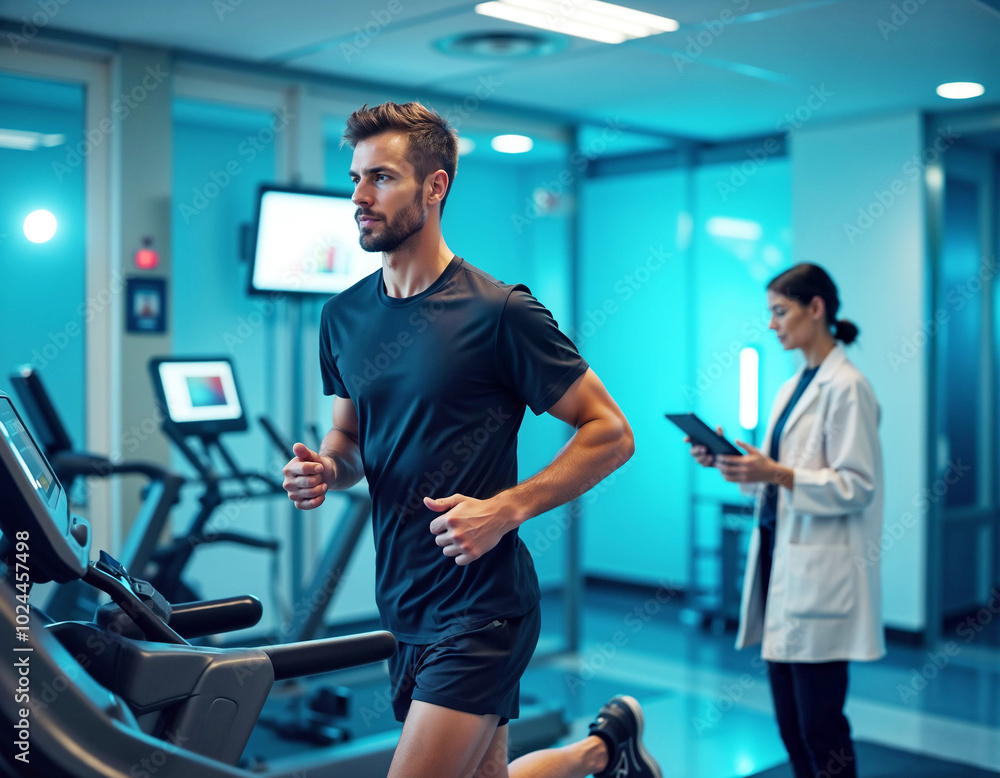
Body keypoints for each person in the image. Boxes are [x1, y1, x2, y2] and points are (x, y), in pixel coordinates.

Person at [281, 101, 661, 778]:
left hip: (483, 610)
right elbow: (347, 439)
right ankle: (603, 753)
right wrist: (326, 470)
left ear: (435, 186)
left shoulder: (499, 312)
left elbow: (611, 433)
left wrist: (509, 508)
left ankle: (602, 754)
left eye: (382, 178)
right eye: (356, 178)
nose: (359, 197)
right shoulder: (342, 317)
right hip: (403, 603)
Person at [687, 264, 884, 778]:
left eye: (780, 311)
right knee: (791, 727)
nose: (772, 325)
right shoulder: (792, 386)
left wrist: (775, 471)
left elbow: (856, 487)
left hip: (820, 581)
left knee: (822, 725)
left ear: (815, 309)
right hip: (781, 572)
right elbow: (775, 481)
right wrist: (734, 464)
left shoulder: (848, 388)